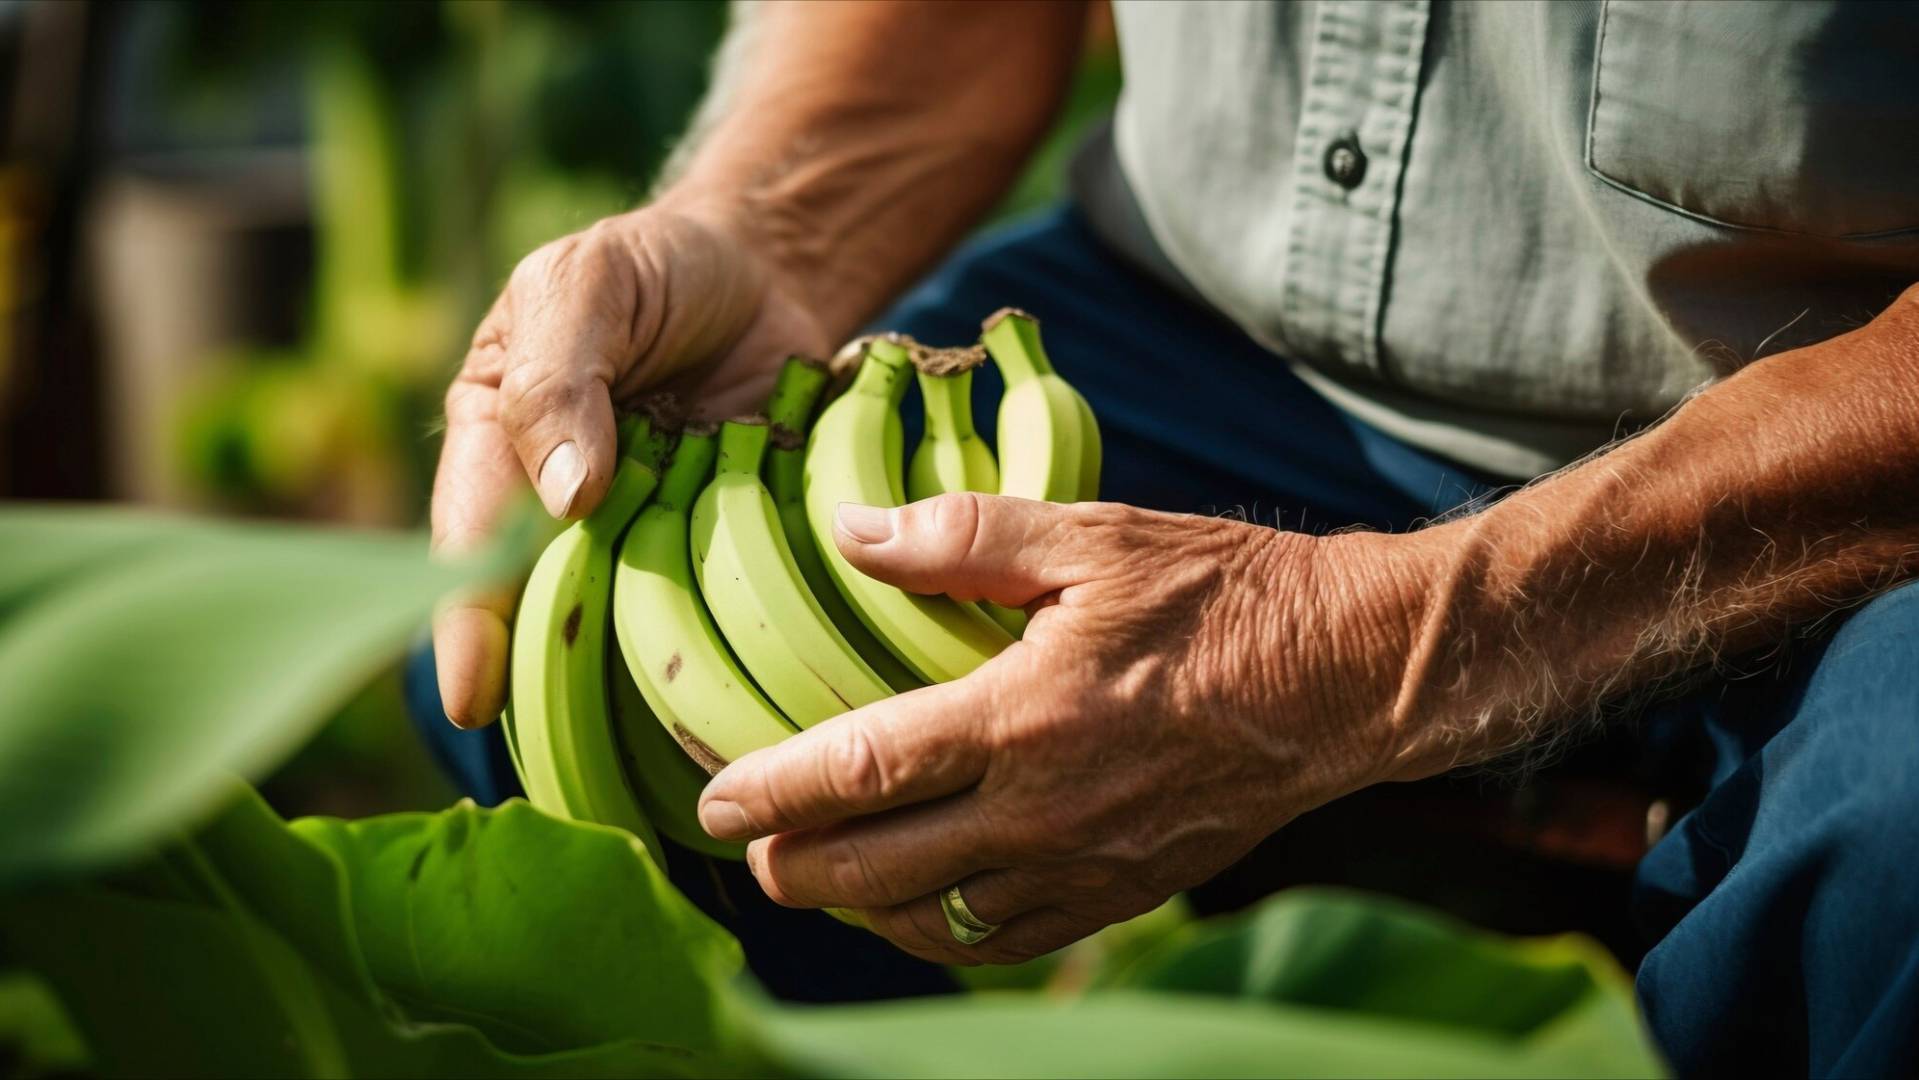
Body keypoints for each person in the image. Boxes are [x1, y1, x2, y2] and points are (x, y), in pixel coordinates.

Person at [421, 2, 1919, 1073]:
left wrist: (1367, 646)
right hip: (1208, 331)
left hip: (1830, 426)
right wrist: (767, 230)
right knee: (574, 635)